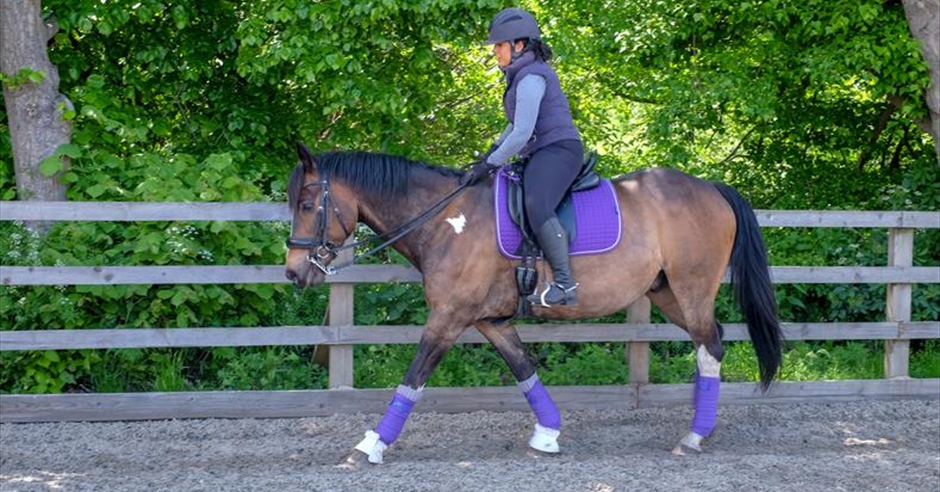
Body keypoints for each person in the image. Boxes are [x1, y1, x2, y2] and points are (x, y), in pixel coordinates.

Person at [465, 8, 584, 307]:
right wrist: (492, 151)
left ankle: (566, 284)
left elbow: (522, 132)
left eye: (499, 45)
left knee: (536, 203)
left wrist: (492, 163)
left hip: (559, 149)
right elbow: (514, 126)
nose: (495, 51)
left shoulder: (532, 77)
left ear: (519, 45)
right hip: (542, 149)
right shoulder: (522, 76)